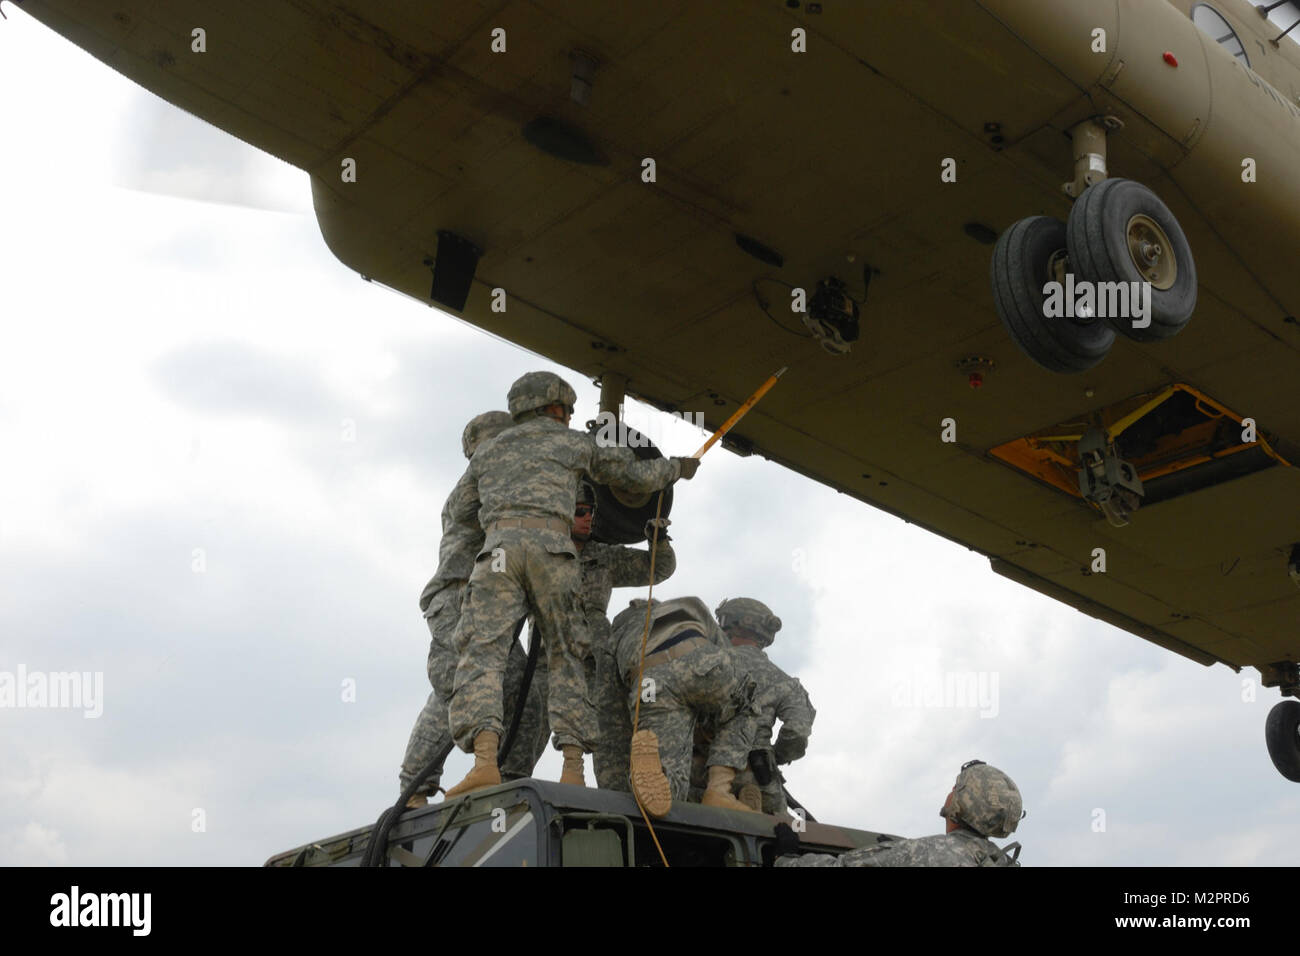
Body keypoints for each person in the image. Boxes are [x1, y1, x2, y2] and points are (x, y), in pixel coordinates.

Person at [446, 371, 697, 798]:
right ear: (558, 407)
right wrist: (675, 468)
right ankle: (573, 769)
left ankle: (484, 762)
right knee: (568, 656)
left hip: (499, 553)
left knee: (484, 652)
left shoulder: (490, 451)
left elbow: (459, 511)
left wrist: (503, 511)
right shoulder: (572, 444)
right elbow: (632, 478)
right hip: (553, 550)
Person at [397, 411, 549, 806]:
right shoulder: (476, 484)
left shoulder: (509, 482)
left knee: (518, 687)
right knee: (470, 682)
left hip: (492, 603)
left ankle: (503, 780)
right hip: (456, 599)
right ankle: (418, 784)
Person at [570, 480, 677, 792]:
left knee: (610, 728)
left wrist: (658, 540)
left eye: (591, 512)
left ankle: (614, 795)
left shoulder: (603, 556)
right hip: (548, 652)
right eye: (579, 512)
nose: (589, 518)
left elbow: (657, 569)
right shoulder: (538, 553)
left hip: (597, 649)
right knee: (533, 722)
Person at [609, 596, 760, 816]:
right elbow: (729, 656)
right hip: (698, 661)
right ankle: (719, 791)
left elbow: (609, 713)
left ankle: (663, 775)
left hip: (650, 684)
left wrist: (611, 786)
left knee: (669, 794)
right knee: (746, 703)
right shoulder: (687, 605)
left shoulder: (616, 637)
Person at [774, 761, 1024, 866]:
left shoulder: (929, 853)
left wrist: (786, 857)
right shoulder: (997, 860)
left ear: (961, 802)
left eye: (955, 789)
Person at [715, 597, 815, 815]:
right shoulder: (785, 682)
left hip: (703, 770)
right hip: (758, 774)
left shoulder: (706, 663)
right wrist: (774, 757)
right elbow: (797, 732)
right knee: (779, 835)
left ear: (726, 624)